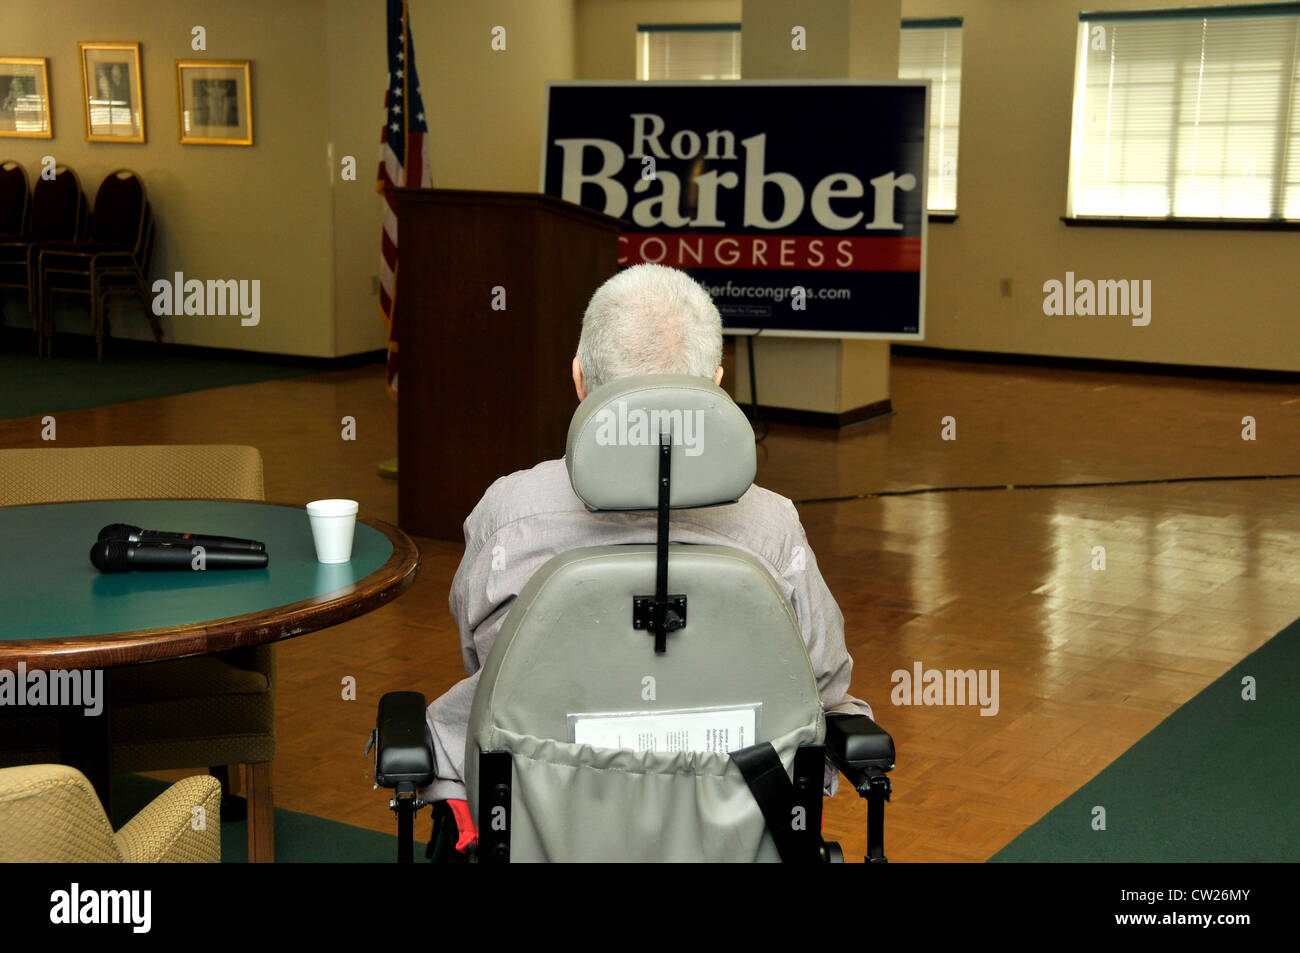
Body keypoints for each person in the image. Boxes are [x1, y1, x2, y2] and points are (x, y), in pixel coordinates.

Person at [422, 263, 871, 834]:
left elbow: (485, 661)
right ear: (714, 384)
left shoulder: (509, 514)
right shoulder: (773, 527)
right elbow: (824, 684)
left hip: (543, 824)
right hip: (732, 828)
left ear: (580, 380)